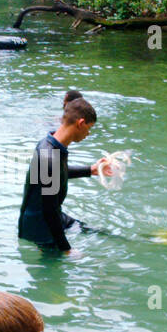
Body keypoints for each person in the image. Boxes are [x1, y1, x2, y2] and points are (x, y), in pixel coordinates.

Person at [17, 98, 110, 253]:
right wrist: (66, 249)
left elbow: (57, 173)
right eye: (89, 128)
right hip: (40, 227)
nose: (88, 133)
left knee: (92, 230)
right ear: (80, 123)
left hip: (50, 216)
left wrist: (91, 170)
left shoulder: (50, 143)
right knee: (52, 269)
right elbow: (49, 211)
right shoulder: (49, 157)